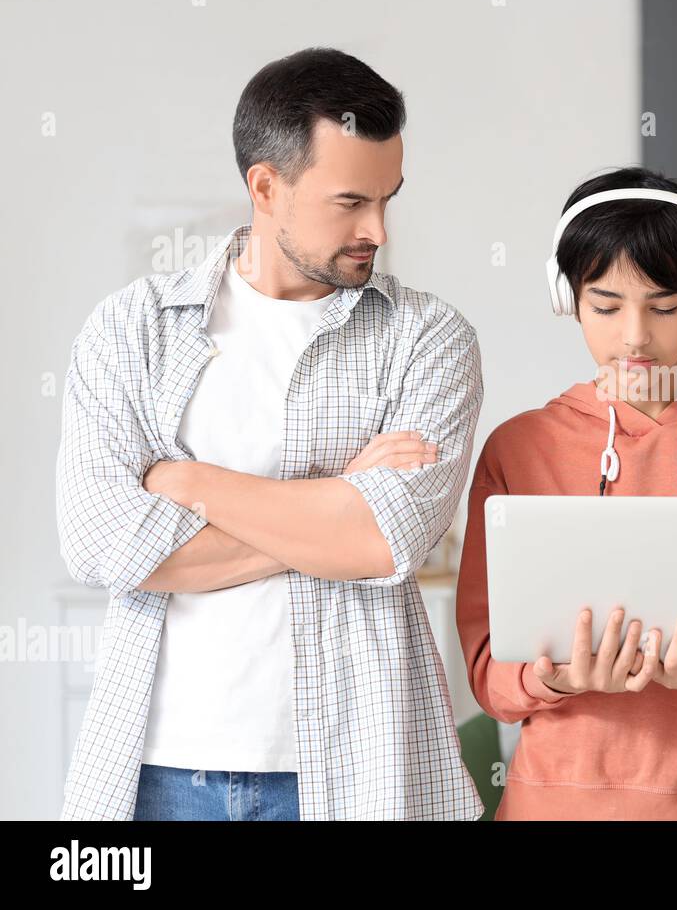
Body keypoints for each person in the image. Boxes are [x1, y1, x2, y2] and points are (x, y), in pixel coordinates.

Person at [54, 47, 484, 820]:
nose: (377, 228)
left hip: (359, 770)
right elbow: (100, 544)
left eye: (389, 198)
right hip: (155, 772)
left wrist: (189, 484)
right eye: (350, 200)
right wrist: (338, 500)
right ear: (265, 186)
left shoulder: (428, 337)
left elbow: (386, 544)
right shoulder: (131, 329)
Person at [455, 166, 677, 819]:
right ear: (566, 297)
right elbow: (488, 675)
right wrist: (553, 678)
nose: (634, 335)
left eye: (663, 307)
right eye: (605, 306)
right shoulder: (518, 449)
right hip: (548, 805)